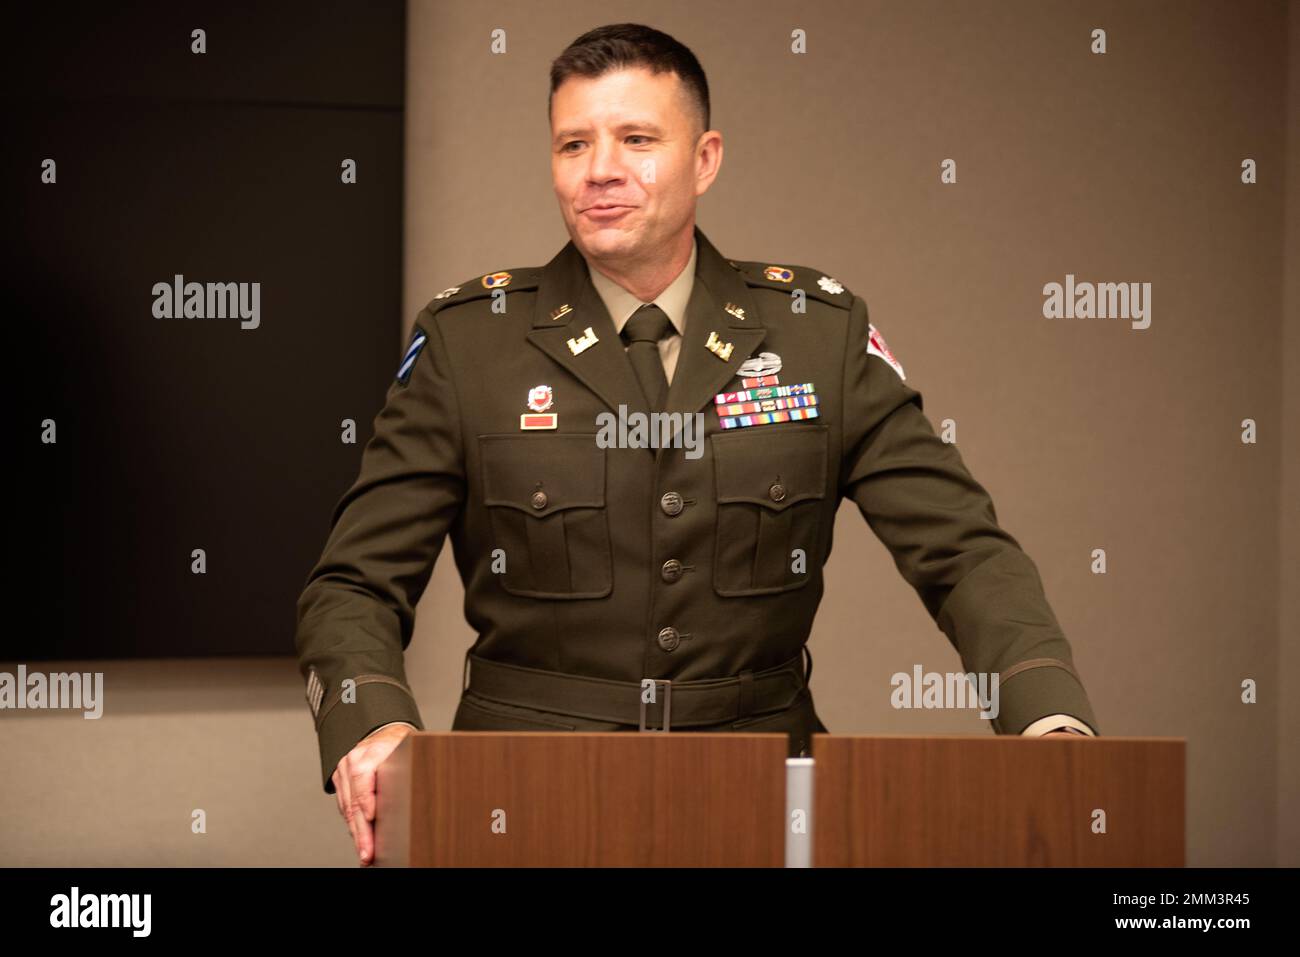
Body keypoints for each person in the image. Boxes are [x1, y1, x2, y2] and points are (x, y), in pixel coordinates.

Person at [295, 22, 1100, 866]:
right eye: (574, 143)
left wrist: (1046, 714)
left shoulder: (815, 334)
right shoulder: (471, 343)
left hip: (766, 797)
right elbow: (350, 584)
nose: (600, 168)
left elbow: (964, 552)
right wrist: (373, 724)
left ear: (705, 159)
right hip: (520, 798)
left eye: (637, 139)